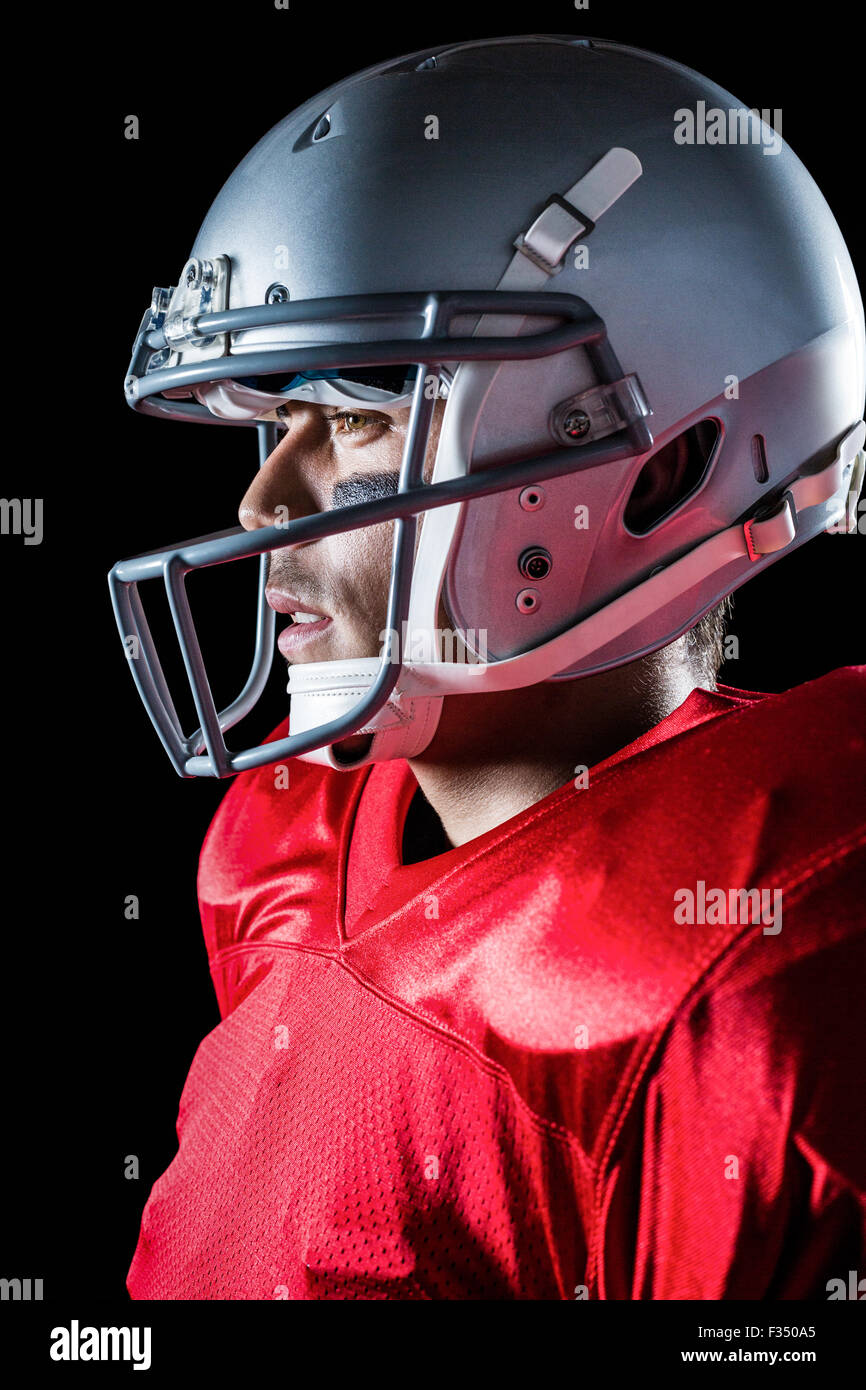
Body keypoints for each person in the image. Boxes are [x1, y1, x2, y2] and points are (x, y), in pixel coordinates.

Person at [113, 35, 865, 1299]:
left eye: (353, 415)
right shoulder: (288, 847)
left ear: (666, 462)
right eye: (267, 422)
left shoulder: (756, 965)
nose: (258, 503)